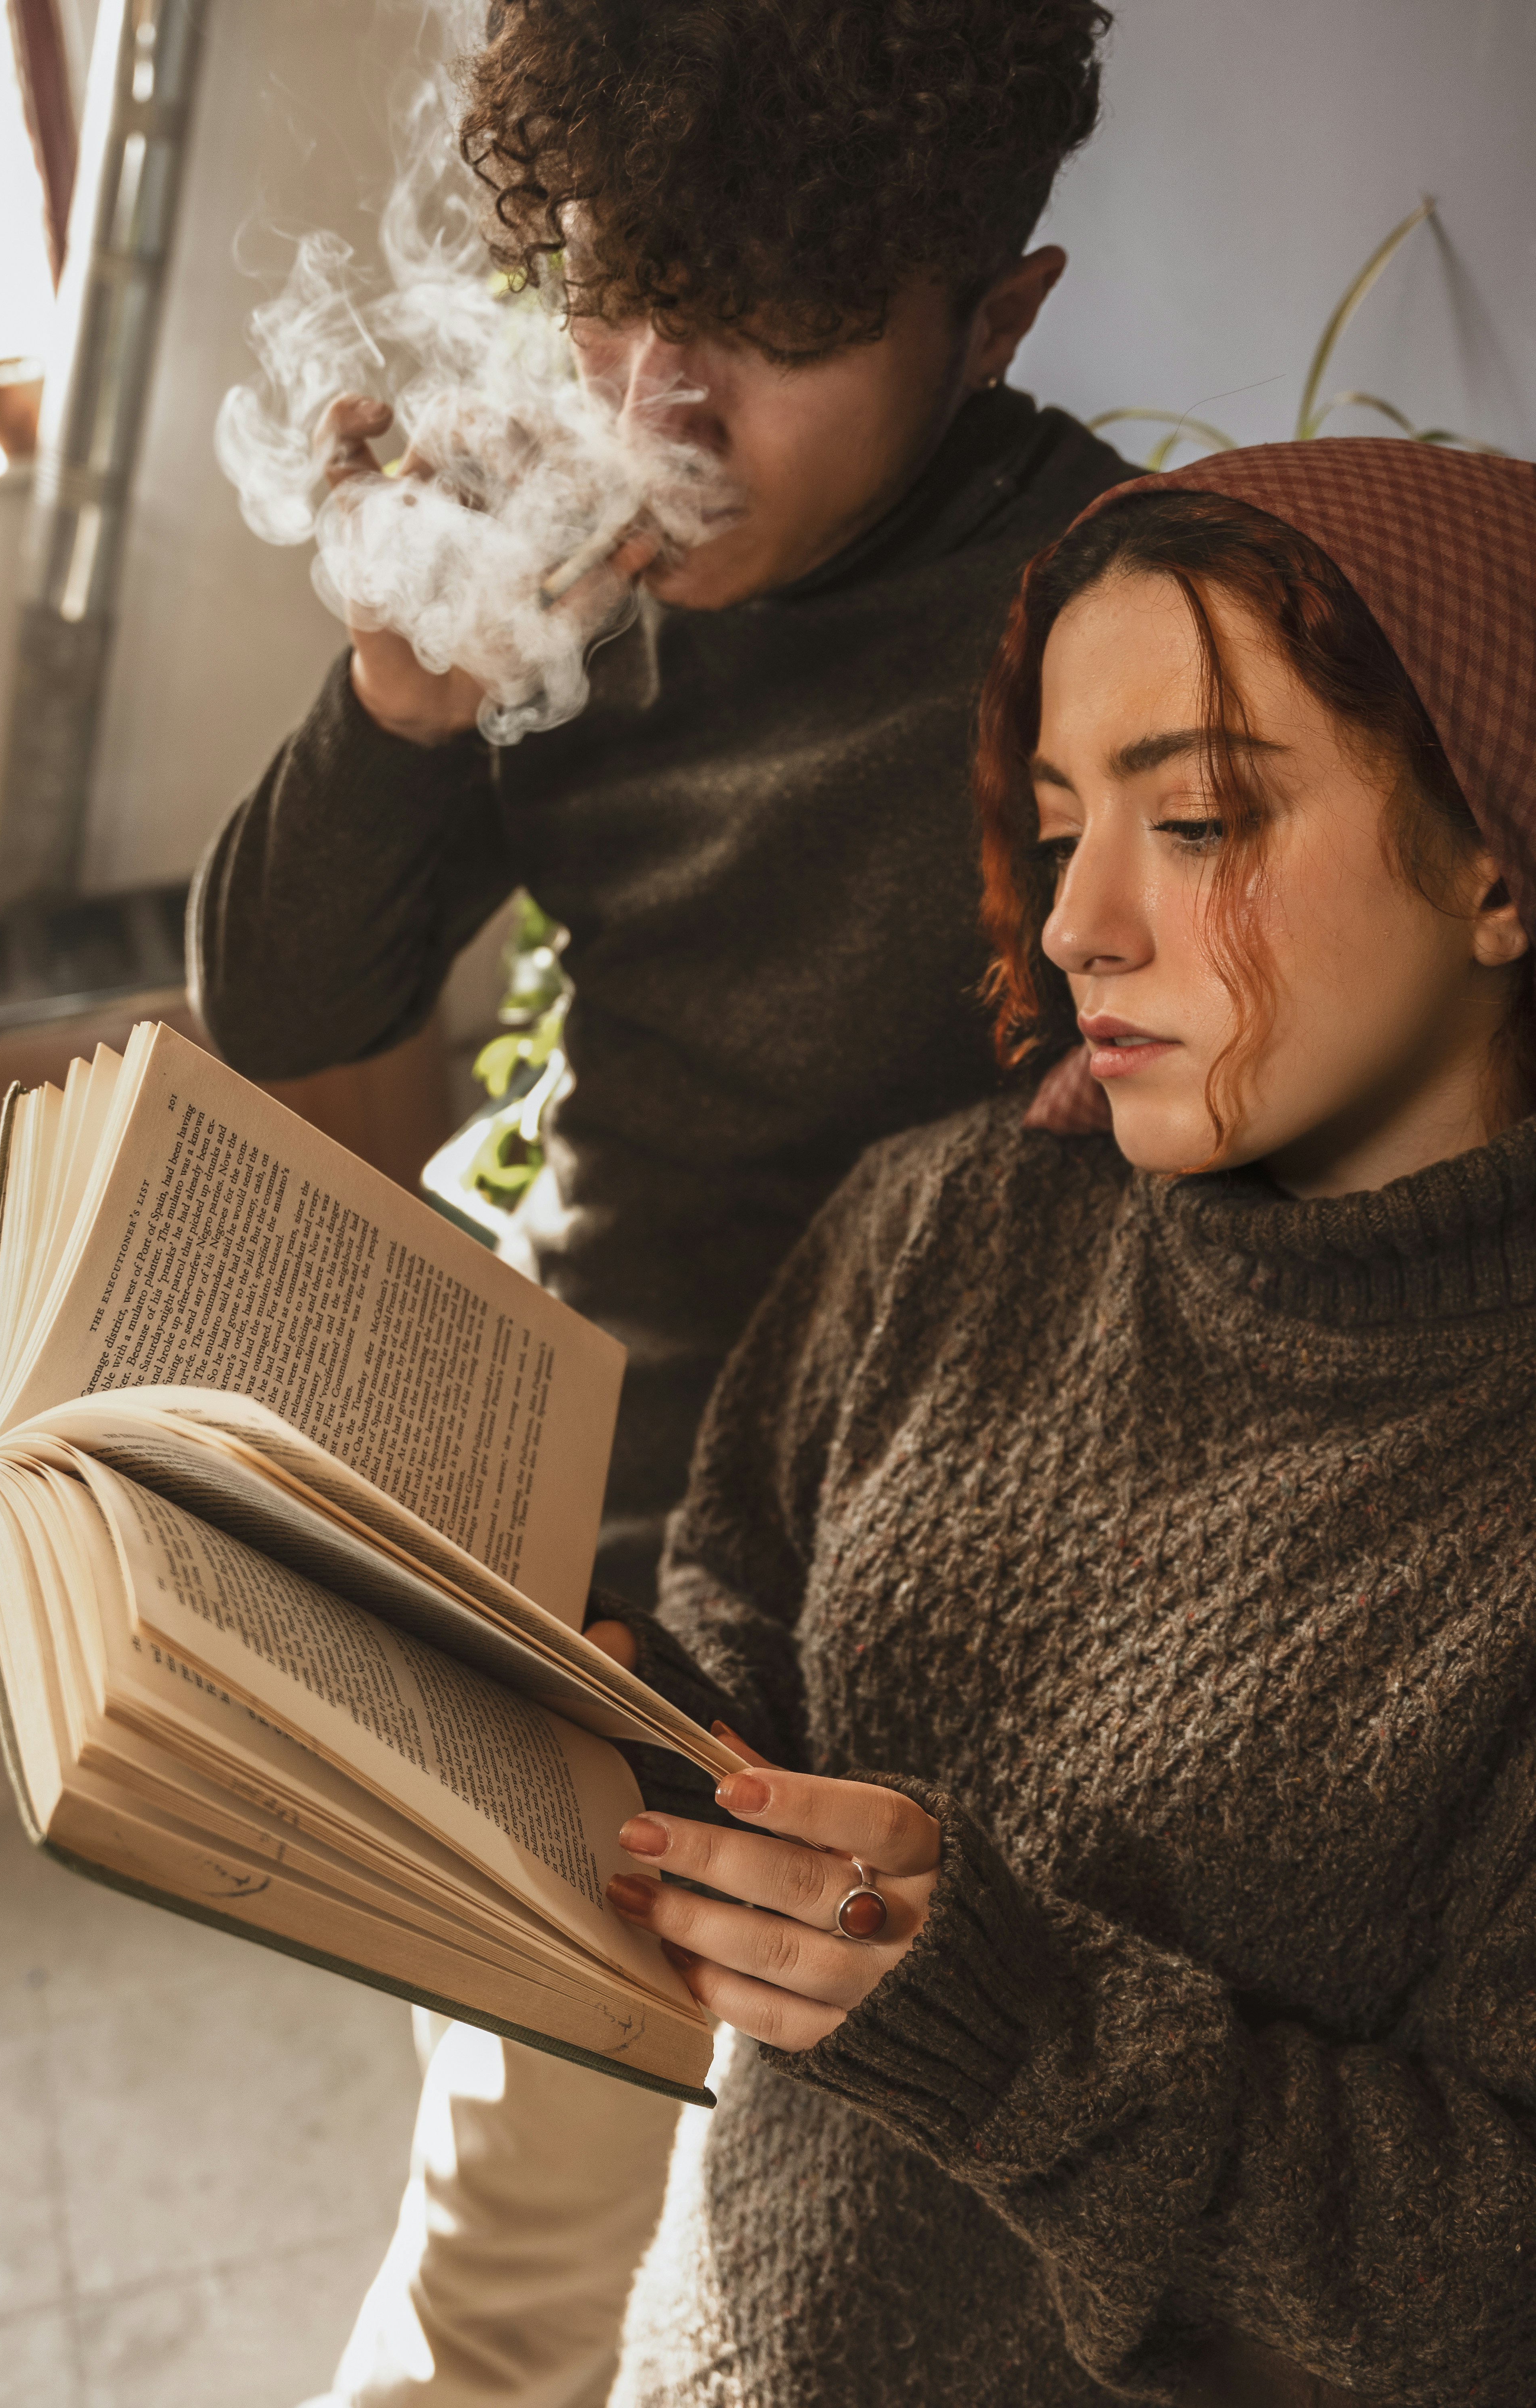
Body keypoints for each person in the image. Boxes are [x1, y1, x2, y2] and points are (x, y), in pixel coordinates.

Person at [190, 6, 1127, 2400]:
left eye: (784, 332)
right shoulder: (559, 597)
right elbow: (288, 993)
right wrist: (402, 689)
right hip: (610, 1607)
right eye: (617, 298)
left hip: (975, 1650)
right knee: (511, 2291)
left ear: (998, 315)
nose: (663, 405)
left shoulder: (1103, 610)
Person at [582, 437, 1536, 2406]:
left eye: (1193, 818)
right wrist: (613, 1710)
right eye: (1054, 816)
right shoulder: (951, 1216)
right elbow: (741, 1639)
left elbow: (1493, 2289)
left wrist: (1027, 2043)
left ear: (1491, 859)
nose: (1083, 918)